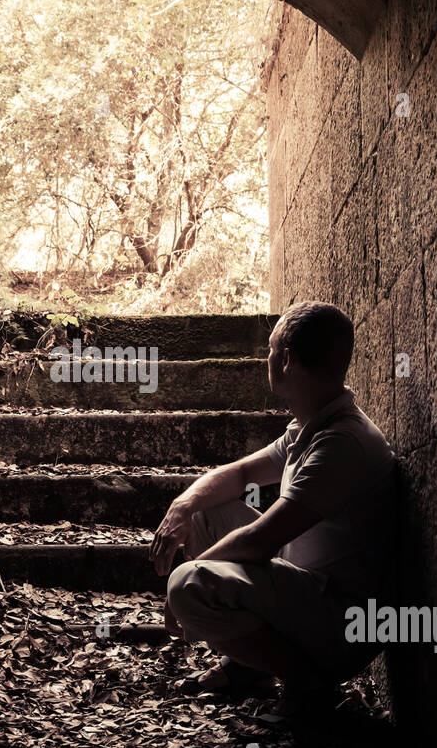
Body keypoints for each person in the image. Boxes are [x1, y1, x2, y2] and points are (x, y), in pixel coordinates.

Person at [149, 301, 397, 716]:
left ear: (286, 360)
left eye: (269, 349)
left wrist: (182, 587)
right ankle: (248, 668)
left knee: (187, 588)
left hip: (340, 623)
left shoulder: (341, 444)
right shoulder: (312, 425)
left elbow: (261, 540)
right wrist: (182, 505)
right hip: (308, 592)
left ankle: (310, 685)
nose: (265, 358)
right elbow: (244, 471)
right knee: (202, 513)